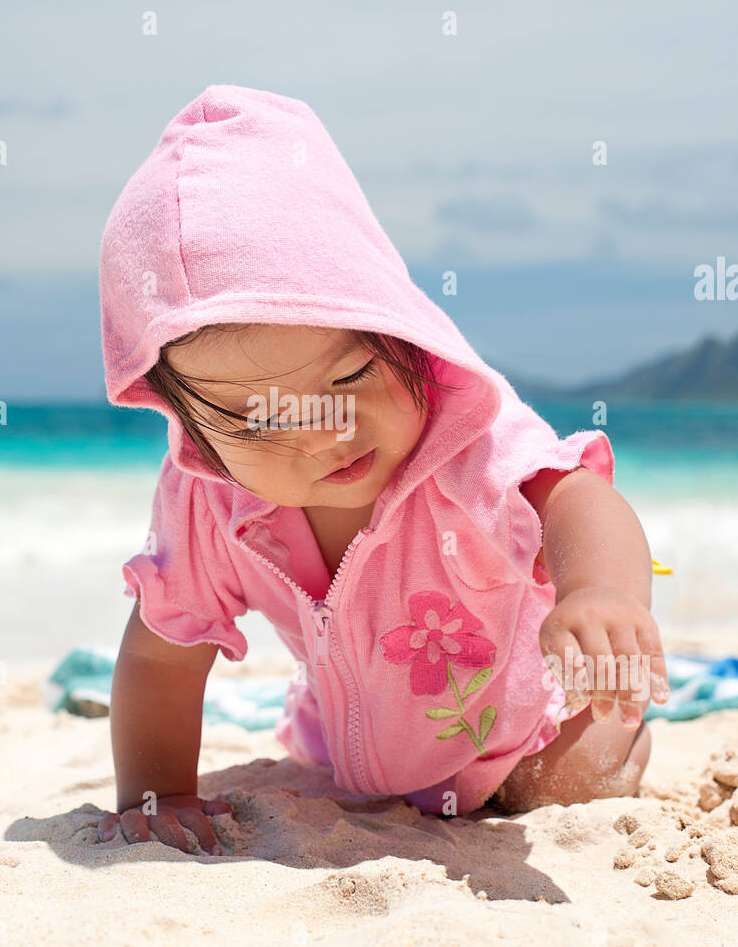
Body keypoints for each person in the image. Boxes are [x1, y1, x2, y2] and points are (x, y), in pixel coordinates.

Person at [96, 85, 668, 855]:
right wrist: (160, 795)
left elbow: (576, 497)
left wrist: (600, 589)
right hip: (347, 752)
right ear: (192, 429)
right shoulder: (208, 502)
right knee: (327, 760)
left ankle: (607, 743)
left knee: (578, 772)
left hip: (522, 736)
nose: (325, 433)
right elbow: (163, 655)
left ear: (399, 334)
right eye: (264, 418)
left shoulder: (469, 449)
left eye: (348, 379)